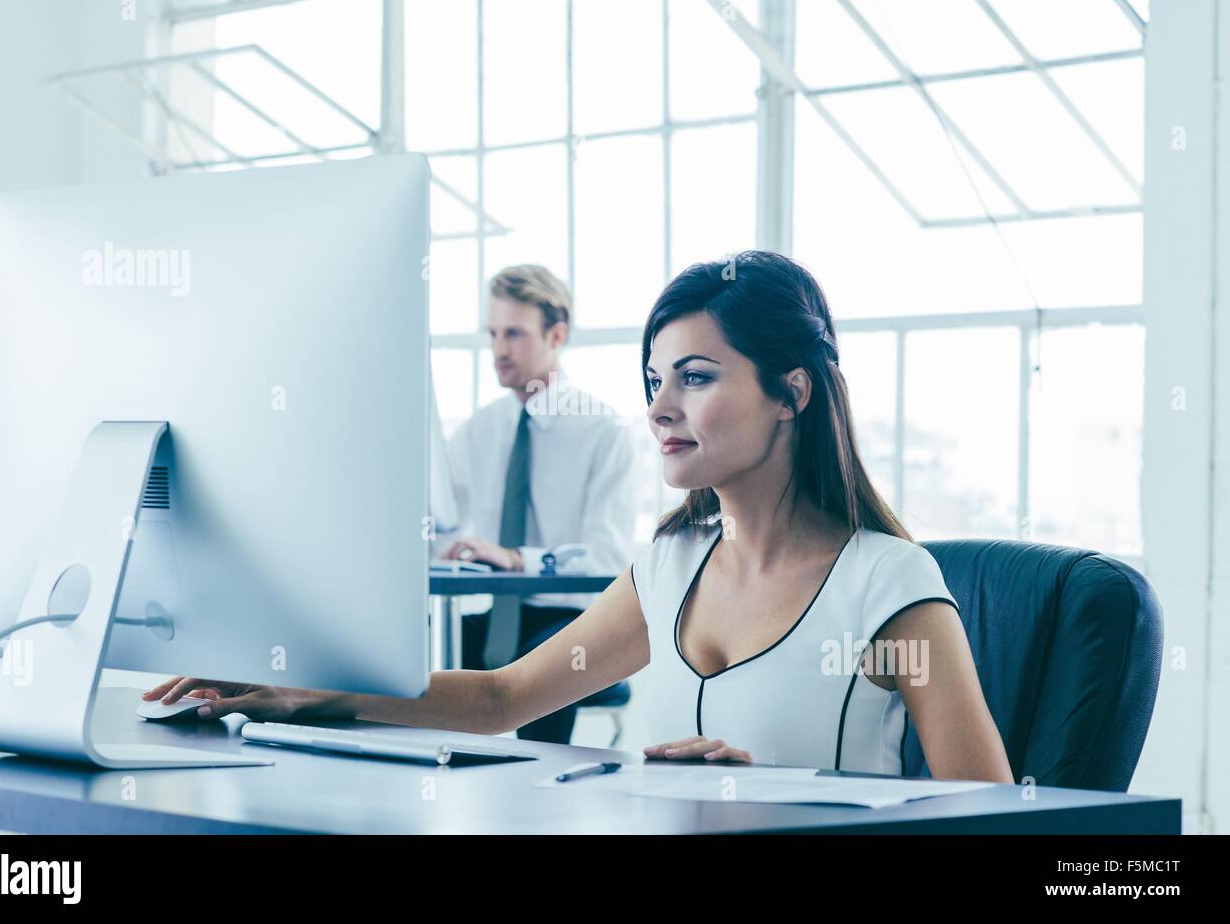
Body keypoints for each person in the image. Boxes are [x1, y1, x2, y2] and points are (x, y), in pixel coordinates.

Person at [144, 251, 1014, 781]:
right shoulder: (668, 570)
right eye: (654, 381)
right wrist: (305, 692)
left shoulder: (887, 584)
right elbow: (500, 696)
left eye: (696, 377)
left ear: (792, 391)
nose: (661, 407)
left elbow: (992, 819)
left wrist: (785, 798)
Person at [434, 264, 637, 744]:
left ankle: (533, 807)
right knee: (403, 661)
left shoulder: (602, 433)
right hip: (492, 616)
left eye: (515, 334)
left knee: (543, 673)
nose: (499, 350)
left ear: (557, 335)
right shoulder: (476, 433)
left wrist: (514, 559)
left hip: (568, 619)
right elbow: (443, 528)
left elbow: (607, 558)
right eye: (493, 334)